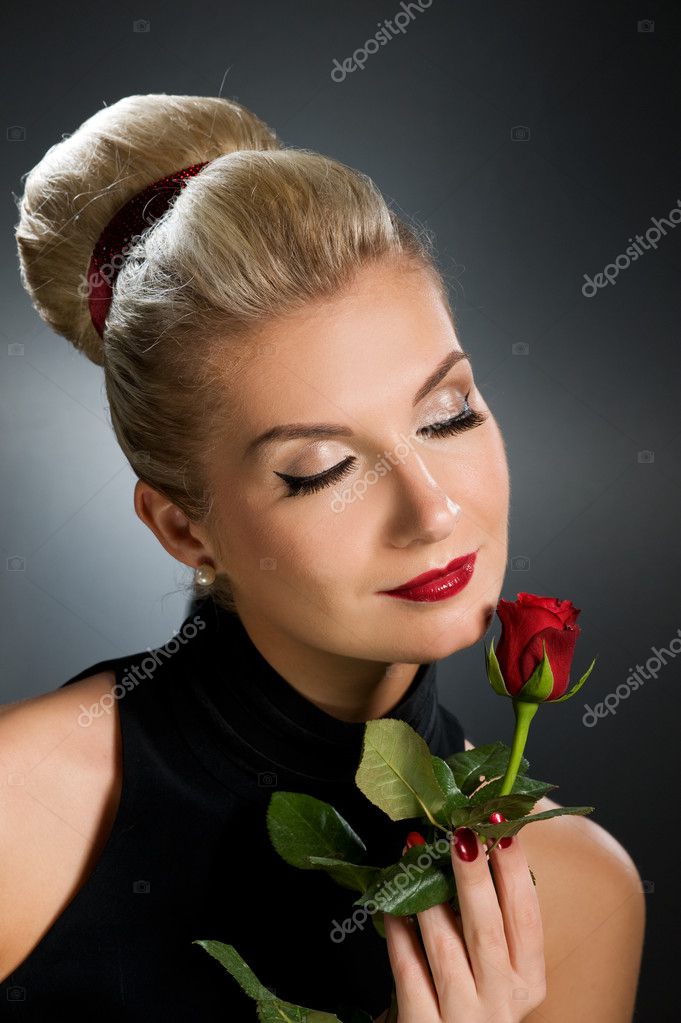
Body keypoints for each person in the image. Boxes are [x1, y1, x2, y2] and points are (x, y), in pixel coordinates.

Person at [2, 94, 644, 1021]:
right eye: (323, 468)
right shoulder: (18, 814)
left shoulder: (576, 890)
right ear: (186, 529)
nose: (432, 508)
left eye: (449, 412)